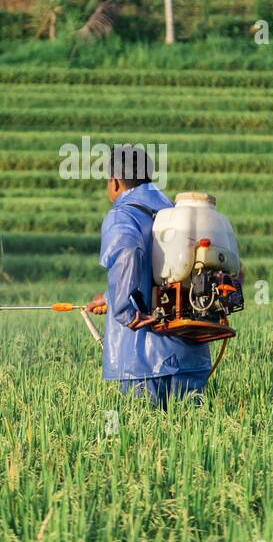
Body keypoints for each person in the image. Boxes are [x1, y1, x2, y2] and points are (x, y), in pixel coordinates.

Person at [87, 145, 212, 407]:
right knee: (192, 441)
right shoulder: (175, 212)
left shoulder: (122, 214)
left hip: (142, 364)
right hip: (190, 357)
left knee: (142, 442)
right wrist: (111, 297)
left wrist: (122, 310)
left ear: (115, 182)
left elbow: (128, 250)